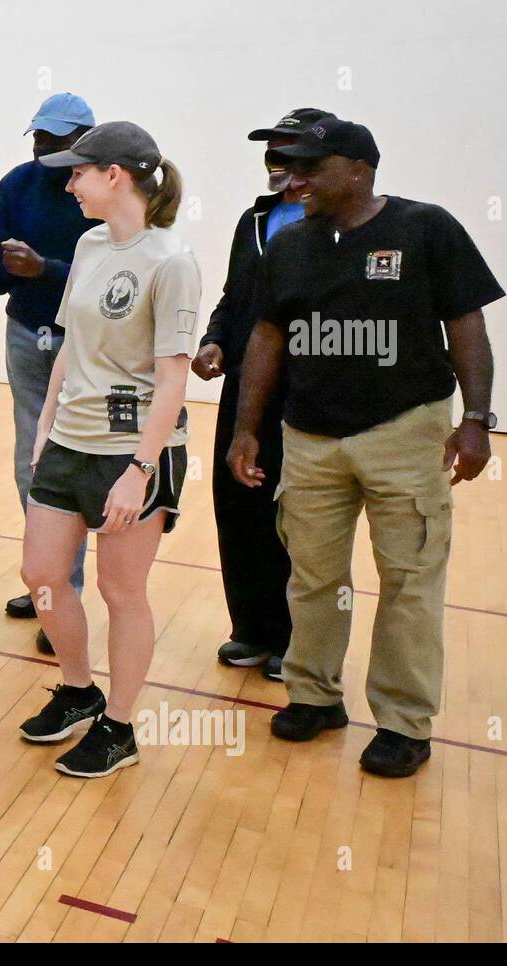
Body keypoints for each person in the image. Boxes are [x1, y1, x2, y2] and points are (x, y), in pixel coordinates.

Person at [227, 118, 504, 778]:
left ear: (357, 169)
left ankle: (405, 721)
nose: (295, 180)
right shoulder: (288, 245)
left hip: (405, 432)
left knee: (409, 579)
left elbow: (465, 319)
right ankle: (315, 695)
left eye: (309, 167)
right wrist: (245, 426)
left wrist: (478, 418)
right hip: (310, 435)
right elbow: (267, 338)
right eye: (289, 168)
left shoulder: (425, 229)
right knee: (313, 576)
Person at [17, 122, 200, 778]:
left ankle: (118, 727)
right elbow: (69, 344)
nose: (69, 184)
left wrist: (140, 470)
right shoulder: (91, 243)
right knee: (40, 574)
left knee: (121, 590)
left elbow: (174, 377)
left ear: (114, 175)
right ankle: (79, 690)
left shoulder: (171, 261)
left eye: (78, 173)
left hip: (134, 452)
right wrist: (43, 429)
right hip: (70, 440)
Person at [193, 107, 333, 680]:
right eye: (272, 156)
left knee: (296, 513)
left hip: (309, 396)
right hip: (246, 391)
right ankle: (252, 627)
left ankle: (297, 642)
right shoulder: (253, 221)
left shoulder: (342, 226)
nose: (279, 168)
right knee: (239, 500)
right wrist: (214, 340)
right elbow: (235, 296)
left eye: (291, 156)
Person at [0, 93, 99, 656]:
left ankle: (64, 595)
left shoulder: (103, 189)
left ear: (84, 140)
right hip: (27, 335)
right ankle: (49, 585)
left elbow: (110, 279)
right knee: (31, 463)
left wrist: (45, 269)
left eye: (55, 137)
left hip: (87, 343)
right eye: (38, 134)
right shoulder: (17, 183)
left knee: (70, 466)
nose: (41, 145)